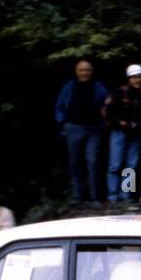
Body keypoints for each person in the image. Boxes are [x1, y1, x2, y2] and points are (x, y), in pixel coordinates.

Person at [54, 58, 108, 204]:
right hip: (74, 128)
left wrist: (105, 119)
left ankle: (94, 197)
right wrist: (63, 123)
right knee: (75, 163)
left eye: (87, 70)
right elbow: (59, 106)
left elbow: (108, 105)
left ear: (92, 72)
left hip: (94, 130)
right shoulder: (69, 87)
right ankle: (78, 197)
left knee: (93, 162)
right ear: (76, 72)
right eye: (81, 70)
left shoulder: (98, 87)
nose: (85, 73)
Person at [104, 66, 141, 202]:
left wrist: (139, 126)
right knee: (115, 165)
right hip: (119, 133)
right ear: (129, 79)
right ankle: (112, 195)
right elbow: (107, 112)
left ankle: (126, 194)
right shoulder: (118, 93)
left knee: (131, 166)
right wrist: (120, 123)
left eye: (139, 77)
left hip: (135, 135)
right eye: (134, 77)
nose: (137, 80)